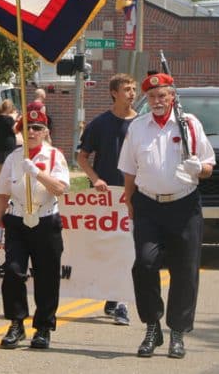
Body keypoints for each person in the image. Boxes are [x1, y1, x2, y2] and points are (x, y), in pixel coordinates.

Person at [118, 72, 216, 359]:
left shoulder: (189, 124)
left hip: (184, 205)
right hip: (148, 204)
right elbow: (129, 169)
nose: (158, 101)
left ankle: (177, 332)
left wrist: (199, 168)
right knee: (145, 265)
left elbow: (209, 165)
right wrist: (130, 201)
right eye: (152, 97)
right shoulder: (138, 128)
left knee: (184, 270)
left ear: (172, 97)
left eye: (163, 96)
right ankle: (152, 326)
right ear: (146, 100)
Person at [0, 106, 70, 350]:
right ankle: (16, 323)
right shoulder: (14, 158)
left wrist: (37, 173)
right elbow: (3, 194)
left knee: (47, 276)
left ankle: (44, 327)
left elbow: (60, 189)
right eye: (26, 128)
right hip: (18, 220)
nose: (32, 132)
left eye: (37, 127)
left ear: (46, 131)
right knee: (13, 272)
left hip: (46, 219)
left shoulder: (54, 156)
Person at [76, 73, 138, 327]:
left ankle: (121, 301)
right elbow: (82, 157)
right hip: (106, 196)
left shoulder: (142, 123)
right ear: (114, 92)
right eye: (127, 89)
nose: (132, 93)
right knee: (109, 248)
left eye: (134, 89)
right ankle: (113, 296)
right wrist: (96, 179)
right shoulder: (100, 123)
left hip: (135, 195)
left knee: (129, 248)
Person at [0, 99, 18, 187]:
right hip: (9, 142)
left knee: (0, 163)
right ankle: (8, 181)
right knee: (9, 163)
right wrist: (15, 119)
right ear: (9, 108)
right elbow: (15, 130)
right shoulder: (9, 119)